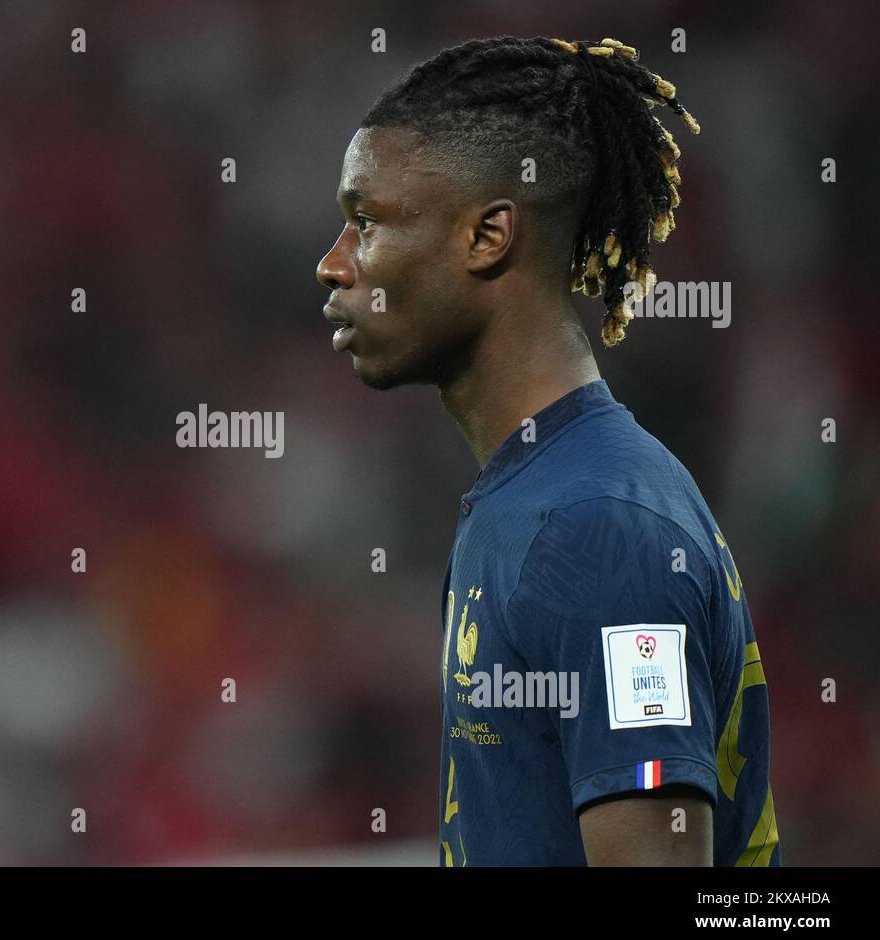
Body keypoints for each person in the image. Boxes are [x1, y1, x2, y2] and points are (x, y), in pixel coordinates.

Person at [316, 36, 778, 866]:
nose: (332, 264)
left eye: (366, 223)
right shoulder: (528, 499)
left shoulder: (596, 528)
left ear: (489, 236)